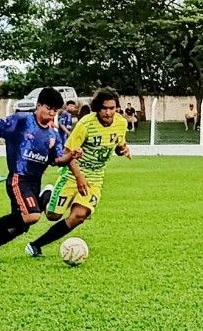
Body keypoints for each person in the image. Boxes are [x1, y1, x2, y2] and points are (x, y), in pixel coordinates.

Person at [0, 87, 78, 262]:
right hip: (19, 178)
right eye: (48, 108)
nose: (51, 113)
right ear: (39, 105)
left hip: (35, 182)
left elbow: (56, 160)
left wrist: (70, 156)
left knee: (19, 228)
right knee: (32, 216)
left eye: (55, 110)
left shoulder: (53, 135)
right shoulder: (22, 120)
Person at [25, 88, 130, 257]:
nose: (109, 112)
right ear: (97, 107)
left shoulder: (121, 123)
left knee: (79, 216)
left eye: (112, 108)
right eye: (104, 108)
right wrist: (79, 177)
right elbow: (68, 152)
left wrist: (123, 150)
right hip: (73, 174)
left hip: (95, 178)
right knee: (53, 215)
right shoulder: (85, 124)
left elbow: (118, 145)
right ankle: (48, 194)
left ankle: (36, 245)